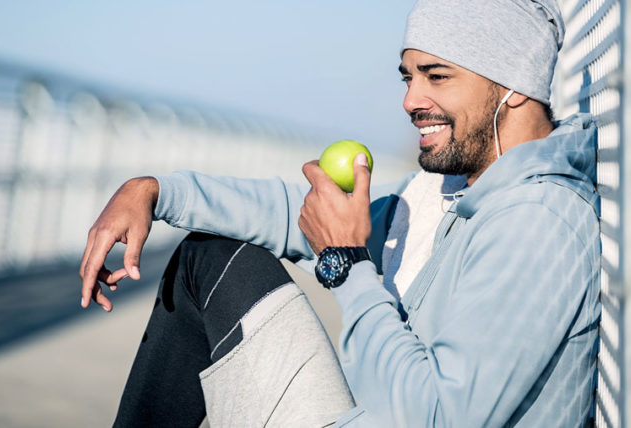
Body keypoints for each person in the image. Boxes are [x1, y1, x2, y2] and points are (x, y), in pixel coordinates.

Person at [80, 0, 601, 426]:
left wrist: (347, 263)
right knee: (209, 251)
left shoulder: (536, 221)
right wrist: (156, 191)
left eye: (436, 76)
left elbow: (440, 417)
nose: (411, 100)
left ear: (512, 86)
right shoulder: (453, 192)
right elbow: (296, 214)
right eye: (408, 77)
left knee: (203, 264)